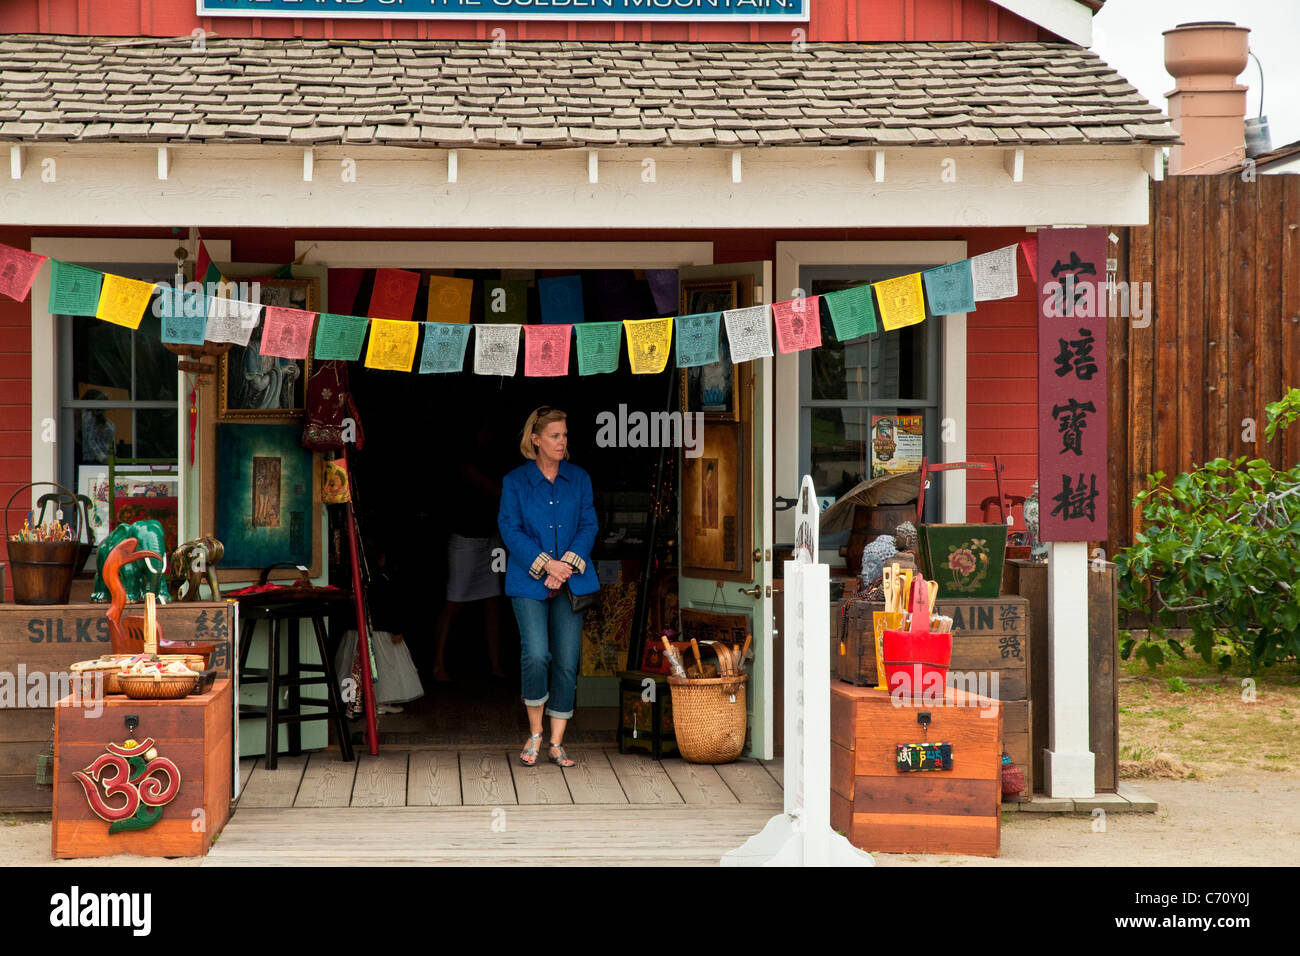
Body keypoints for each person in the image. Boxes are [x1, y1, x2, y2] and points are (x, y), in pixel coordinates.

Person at [498, 406, 599, 769]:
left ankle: (557, 743)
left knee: (567, 661)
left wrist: (566, 565)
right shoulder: (515, 481)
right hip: (529, 581)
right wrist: (546, 565)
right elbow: (510, 529)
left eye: (565, 435)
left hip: (570, 581)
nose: (562, 442)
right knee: (537, 654)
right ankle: (536, 732)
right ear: (535, 439)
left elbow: (589, 523)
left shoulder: (580, 478)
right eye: (555, 436)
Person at [432, 424, 506, 682]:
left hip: (490, 539)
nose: (487, 434)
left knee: (493, 601)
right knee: (454, 601)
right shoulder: (466, 464)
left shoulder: (494, 462)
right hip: (464, 540)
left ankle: (496, 665)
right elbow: (495, 490)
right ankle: (438, 664)